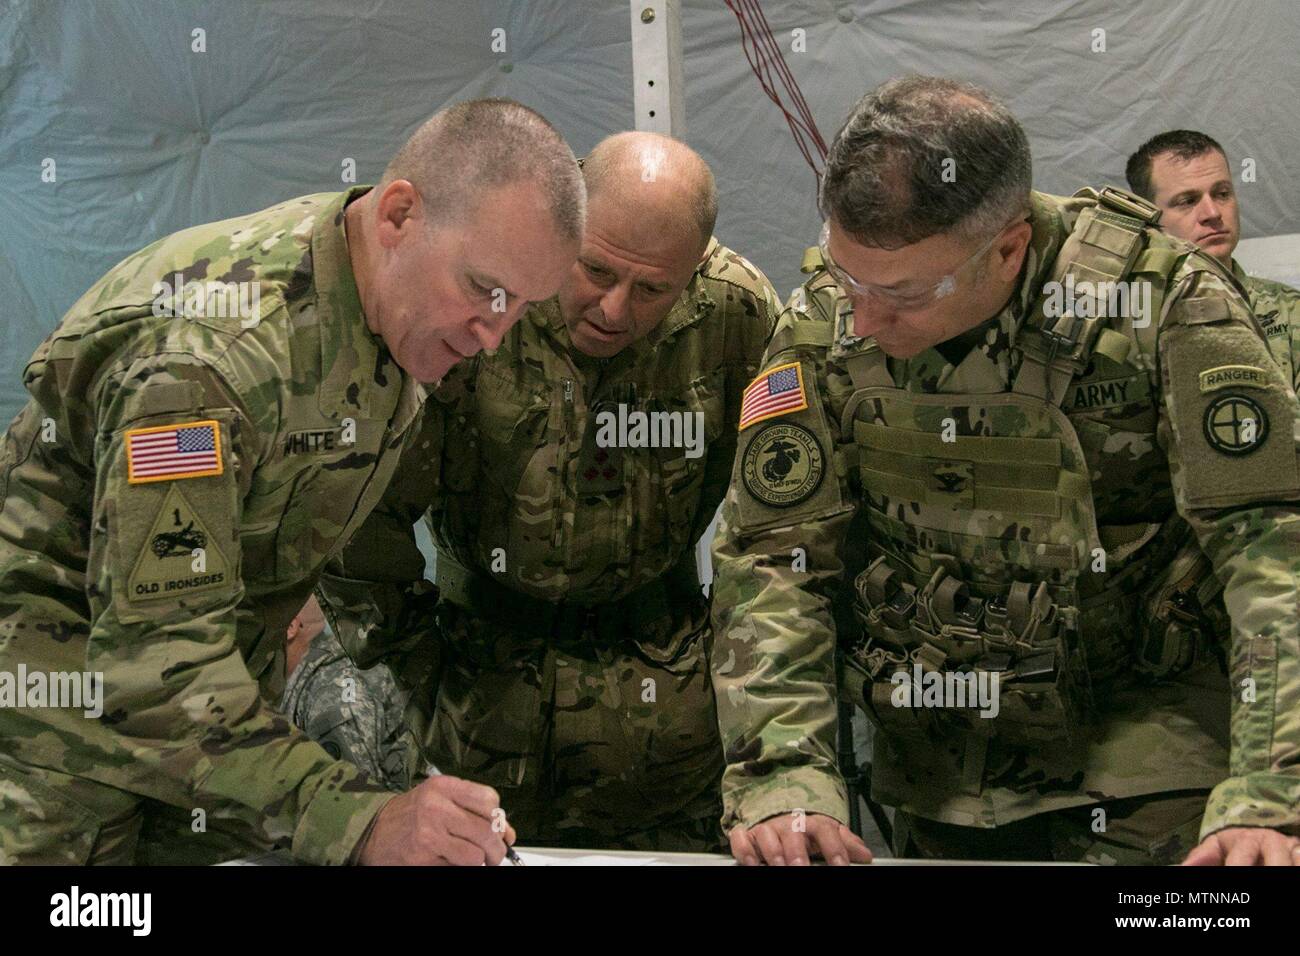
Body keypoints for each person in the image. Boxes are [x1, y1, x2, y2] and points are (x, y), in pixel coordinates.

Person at [711, 75, 1300, 866]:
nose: (864, 316)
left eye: (902, 293)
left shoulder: (1159, 301)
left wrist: (1273, 792)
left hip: (1146, 758)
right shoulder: (826, 320)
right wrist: (783, 773)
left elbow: (1272, 547)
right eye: (850, 279)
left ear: (1009, 249)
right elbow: (774, 559)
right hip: (940, 768)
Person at [0, 98, 584, 865]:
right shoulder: (207, 363)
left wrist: (410, 790)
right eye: (483, 289)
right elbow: (156, 665)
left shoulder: (387, 308)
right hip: (56, 750)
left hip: (201, 748)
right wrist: (361, 819)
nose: (492, 336)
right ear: (400, 213)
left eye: (521, 308)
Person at [309, 131, 781, 851]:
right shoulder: (484, 294)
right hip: (480, 708)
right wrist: (416, 667)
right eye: (593, 269)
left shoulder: (735, 313)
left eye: (654, 289)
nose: (615, 310)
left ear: (693, 270)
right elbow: (361, 516)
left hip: (668, 725)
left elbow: (775, 531)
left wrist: (737, 684)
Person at [1126, 128, 1300, 388]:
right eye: (1187, 200)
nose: (1212, 213)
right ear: (1148, 218)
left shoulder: (1287, 311)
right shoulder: (1128, 319)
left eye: (1222, 194)